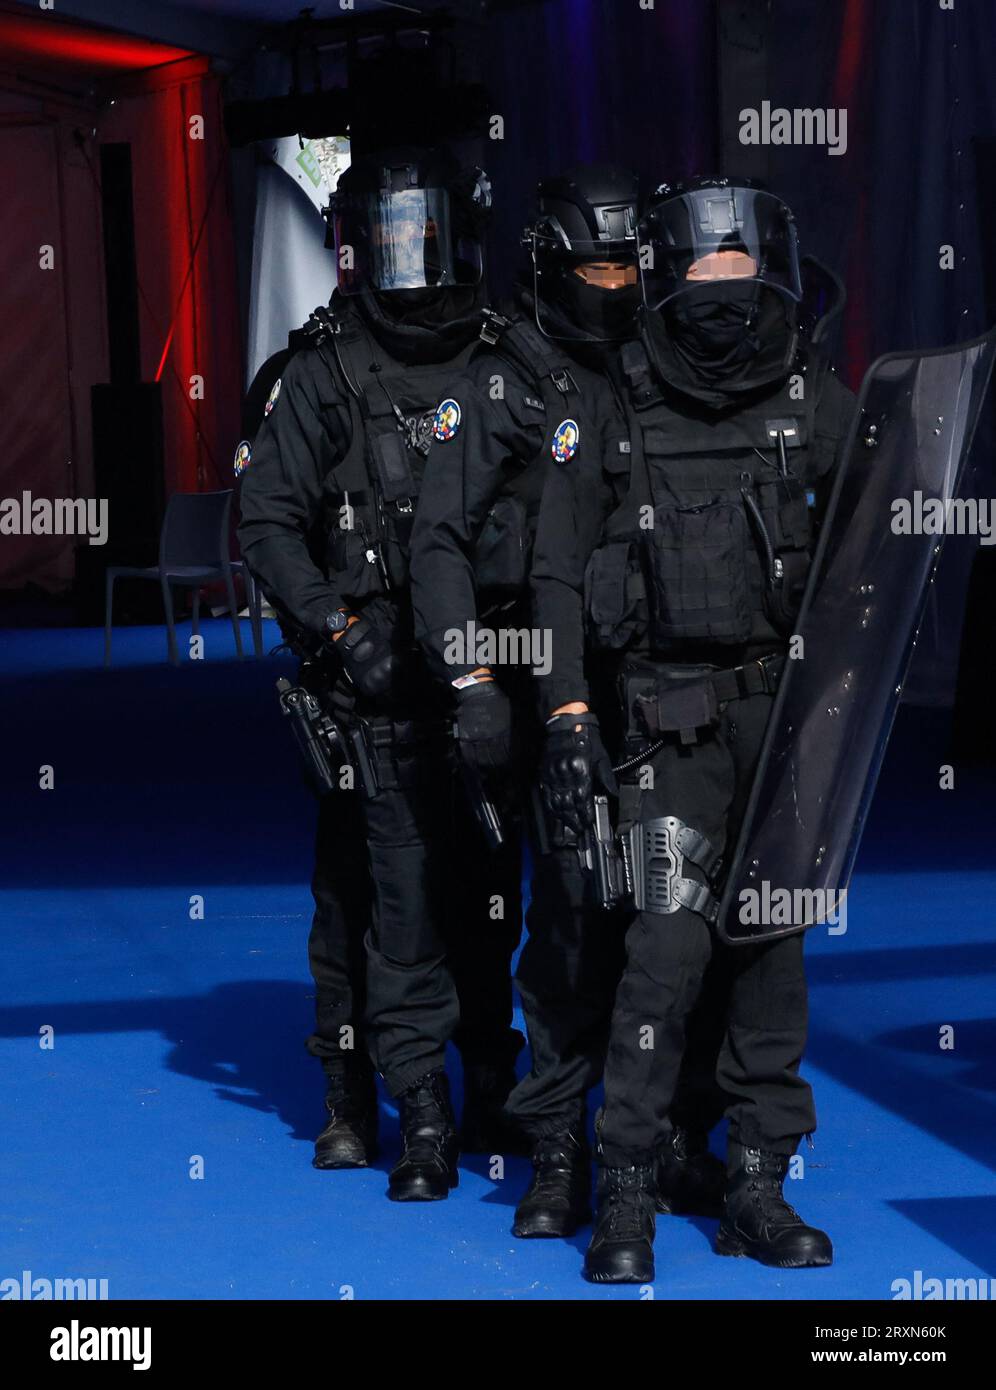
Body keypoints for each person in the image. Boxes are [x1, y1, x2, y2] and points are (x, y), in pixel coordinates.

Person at [530, 177, 856, 1280]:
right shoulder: (613, 398)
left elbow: (874, 543)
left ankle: (758, 1182)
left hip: (784, 719)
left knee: (769, 956)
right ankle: (625, 1189)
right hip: (660, 726)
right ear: (670, 271)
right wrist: (569, 711)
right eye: (704, 260)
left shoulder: (814, 394)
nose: (725, 278)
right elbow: (558, 575)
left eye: (741, 257)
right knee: (663, 952)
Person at [410, 165, 727, 1238]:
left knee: (678, 926)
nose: (619, 282)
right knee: (565, 927)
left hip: (653, 686)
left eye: (632, 263)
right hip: (540, 684)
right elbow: (440, 545)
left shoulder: (661, 371)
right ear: (551, 268)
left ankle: (670, 1134)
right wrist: (473, 681)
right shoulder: (496, 384)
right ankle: (552, 1149)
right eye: (599, 265)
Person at [236, 147, 523, 1201]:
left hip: (486, 678)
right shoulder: (320, 371)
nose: (416, 265)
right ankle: (373, 1099)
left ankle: (490, 1084)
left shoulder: (503, 359)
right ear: (354, 251)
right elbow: (266, 519)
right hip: (364, 682)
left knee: (490, 891)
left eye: (431, 239)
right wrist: (332, 622)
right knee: (366, 900)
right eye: (393, 242)